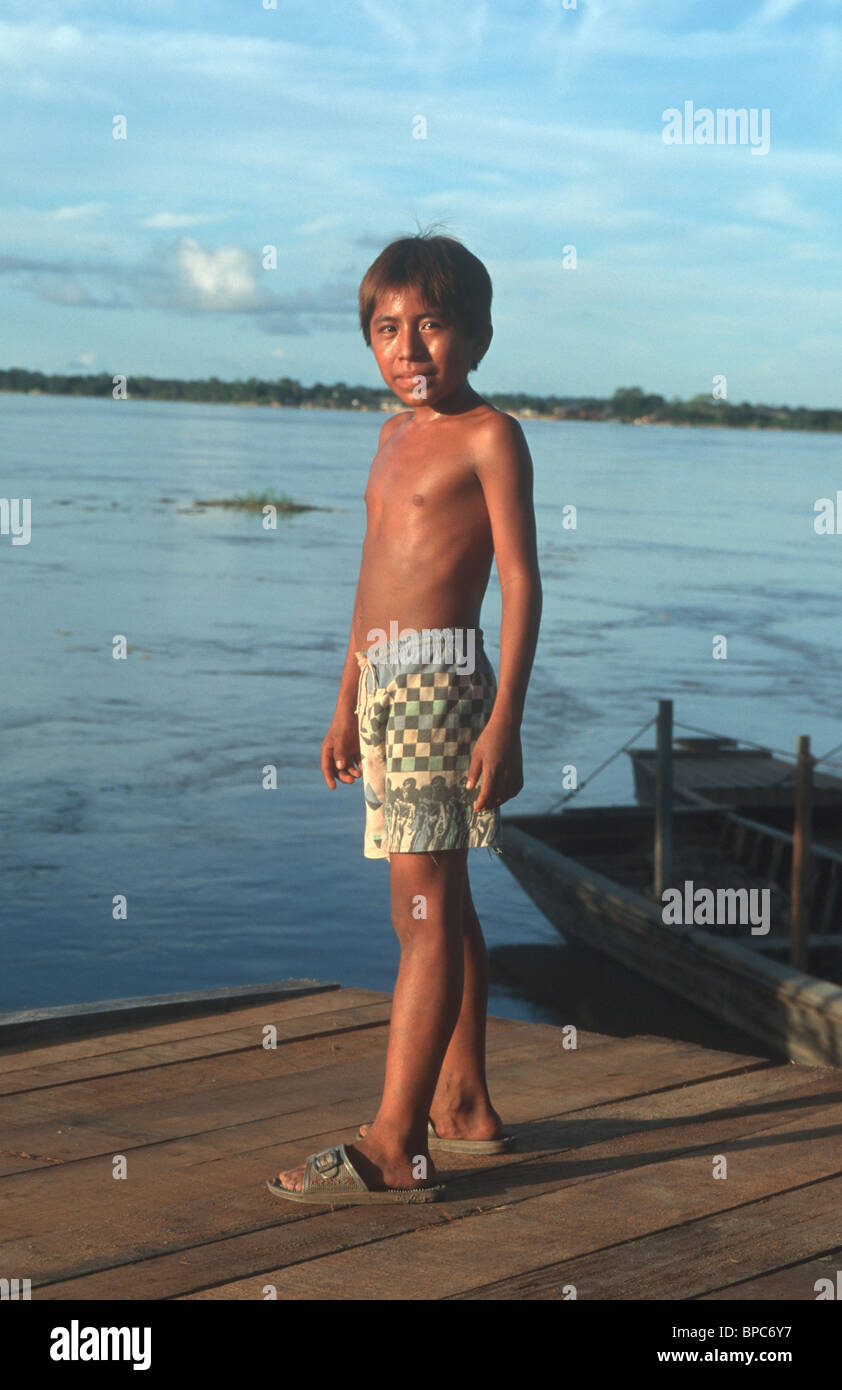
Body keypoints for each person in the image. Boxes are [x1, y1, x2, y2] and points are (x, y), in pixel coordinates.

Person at [267, 231, 542, 1204]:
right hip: (383, 688)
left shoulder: (487, 435)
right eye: (386, 329)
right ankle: (460, 1103)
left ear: (476, 334)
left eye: (429, 325)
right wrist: (343, 698)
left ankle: (395, 1143)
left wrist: (503, 716)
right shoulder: (388, 439)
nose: (408, 348)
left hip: (440, 688)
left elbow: (518, 581)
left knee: (417, 910)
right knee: (444, 899)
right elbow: (371, 578)